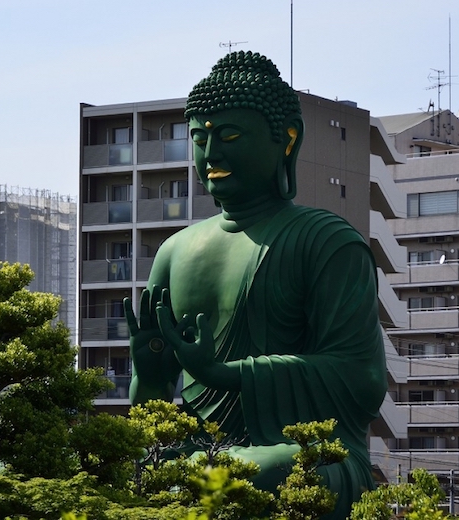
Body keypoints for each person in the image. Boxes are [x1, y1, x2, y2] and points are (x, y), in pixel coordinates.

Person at [124, 51, 386, 519]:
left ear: (287, 139)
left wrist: (228, 375)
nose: (212, 155)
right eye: (200, 139)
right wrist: (148, 374)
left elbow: (361, 380)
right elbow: (155, 416)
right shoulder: (174, 251)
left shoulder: (327, 241)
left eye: (229, 136)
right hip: (195, 451)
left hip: (299, 453)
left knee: (255, 472)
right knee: (80, 469)